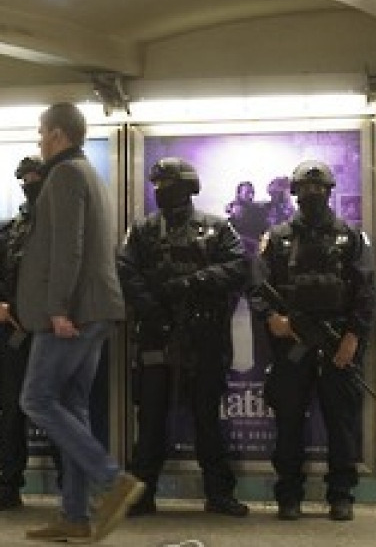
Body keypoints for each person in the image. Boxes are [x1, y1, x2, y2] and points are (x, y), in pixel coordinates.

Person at [17, 102, 139, 543]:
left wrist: (58, 308)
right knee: (71, 408)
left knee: (36, 399)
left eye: (41, 131)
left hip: (74, 312)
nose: (39, 140)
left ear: (57, 133)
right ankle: (75, 516)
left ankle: (111, 480)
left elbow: (68, 246)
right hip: (94, 309)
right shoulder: (90, 175)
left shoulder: (65, 174)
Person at [118, 157, 250, 518]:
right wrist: (154, 310)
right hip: (156, 335)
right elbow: (126, 272)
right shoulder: (143, 230)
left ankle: (219, 494)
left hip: (204, 336)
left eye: (168, 184)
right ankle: (141, 495)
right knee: (151, 420)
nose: (161, 190)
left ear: (188, 187)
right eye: (157, 184)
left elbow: (238, 267)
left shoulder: (217, 228)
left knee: (207, 418)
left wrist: (192, 283)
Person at [251, 160, 373, 522]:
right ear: (294, 194)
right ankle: (289, 495)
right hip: (292, 344)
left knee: (341, 422)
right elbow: (257, 285)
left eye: (318, 189)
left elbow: (366, 291)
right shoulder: (277, 238)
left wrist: (353, 336)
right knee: (289, 421)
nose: (312, 195)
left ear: (330, 192)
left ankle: (341, 495)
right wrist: (271, 318)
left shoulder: (350, 237)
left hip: (337, 342)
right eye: (305, 189)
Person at [0, 154, 62, 512]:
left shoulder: (70, 227)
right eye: (26, 179)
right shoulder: (4, 230)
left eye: (37, 177)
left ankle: (72, 488)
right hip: (15, 335)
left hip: (56, 336)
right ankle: (8, 485)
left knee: (61, 412)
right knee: (11, 412)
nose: (31, 183)